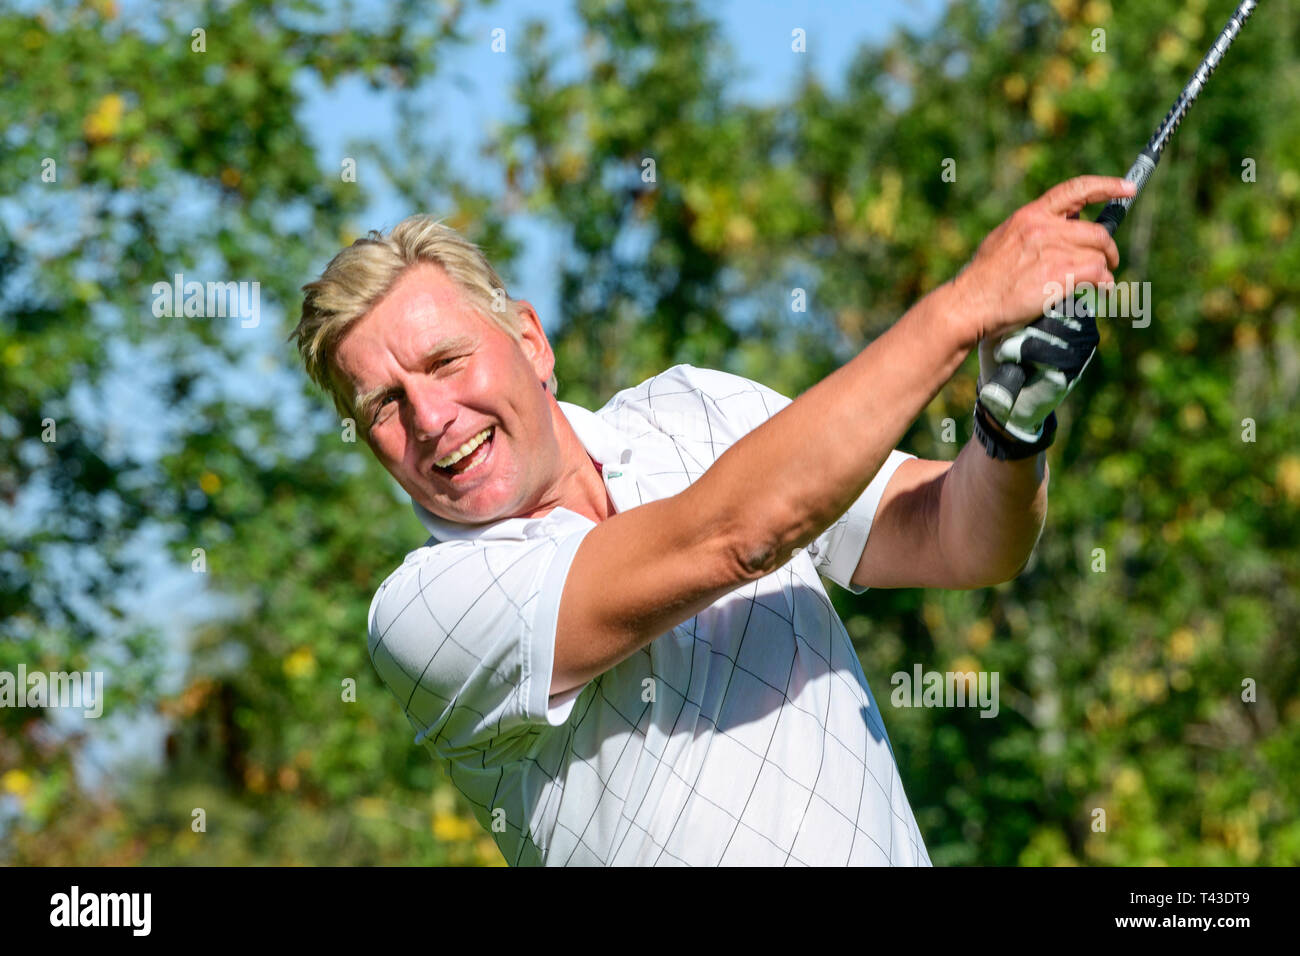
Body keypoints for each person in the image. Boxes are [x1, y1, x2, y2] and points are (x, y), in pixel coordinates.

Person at [290, 175, 1133, 866]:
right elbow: (734, 535)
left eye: (446, 361)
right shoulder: (424, 609)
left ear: (530, 342)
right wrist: (964, 308)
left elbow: (959, 539)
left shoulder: (698, 405)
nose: (432, 418)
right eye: (385, 406)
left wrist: (1010, 428)